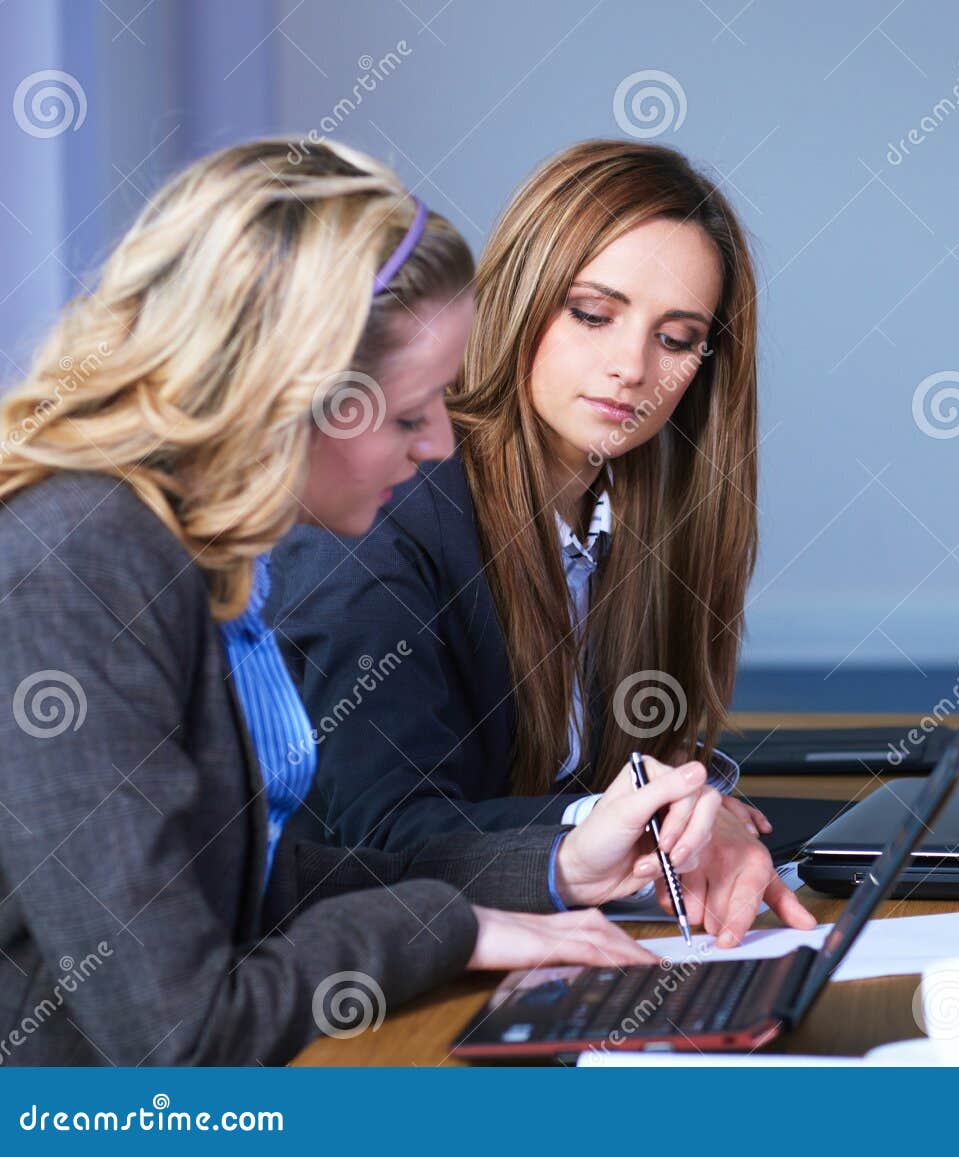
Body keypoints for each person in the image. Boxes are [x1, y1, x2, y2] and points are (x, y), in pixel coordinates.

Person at [0, 139, 739, 1065]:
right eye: (409, 412)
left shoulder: (182, 554)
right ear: (290, 391)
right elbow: (181, 1036)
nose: (438, 443)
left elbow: (258, 880)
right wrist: (447, 932)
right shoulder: (76, 565)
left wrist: (549, 870)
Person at [268, 140, 814, 948]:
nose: (630, 366)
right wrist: (622, 818)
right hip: (356, 986)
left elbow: (595, 769)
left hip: (535, 949)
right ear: (521, 299)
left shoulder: (635, 508)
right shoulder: (382, 510)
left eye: (677, 338)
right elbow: (383, 833)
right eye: (593, 314)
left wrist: (685, 812)